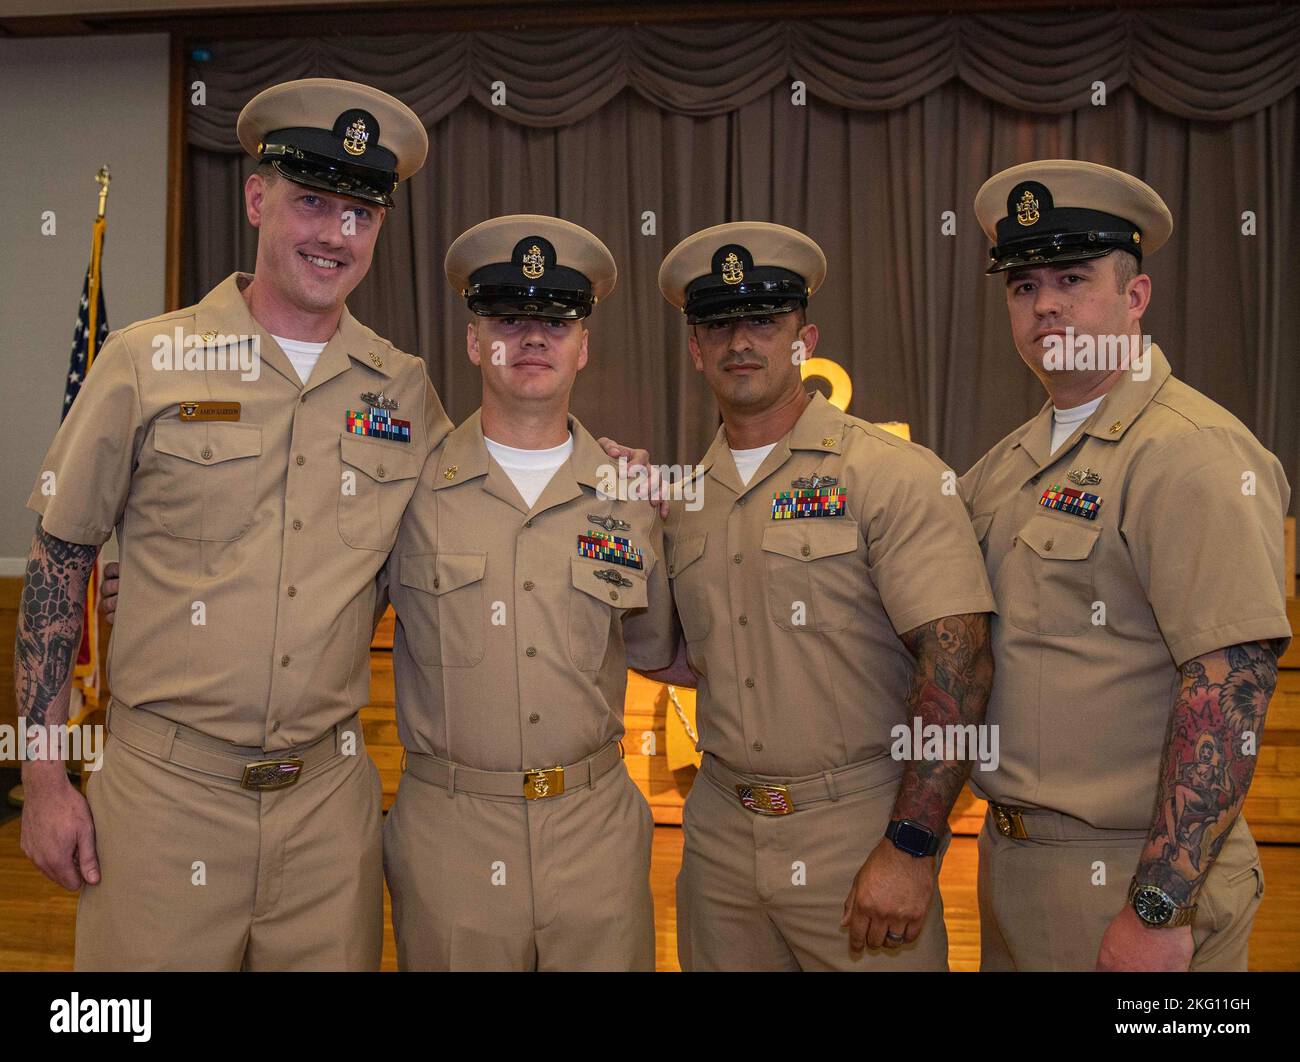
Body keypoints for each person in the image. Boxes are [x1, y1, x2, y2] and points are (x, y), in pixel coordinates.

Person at [17, 77, 452, 970]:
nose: (335, 235)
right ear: (258, 197)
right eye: (312, 202)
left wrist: (594, 468)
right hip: (163, 804)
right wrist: (42, 774)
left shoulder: (402, 388)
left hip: (327, 815)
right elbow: (60, 558)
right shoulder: (149, 359)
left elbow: (484, 505)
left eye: (360, 215)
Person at [961, 159, 1291, 971]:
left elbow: (1229, 684)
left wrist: (1157, 905)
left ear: (1134, 298)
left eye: (1072, 277)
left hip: (1134, 881)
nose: (1045, 304)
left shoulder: (1192, 452)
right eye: (1022, 285)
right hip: (1014, 867)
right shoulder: (1007, 465)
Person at [646, 221, 996, 970]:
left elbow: (959, 667)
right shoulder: (683, 500)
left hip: (857, 831)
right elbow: (685, 655)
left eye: (764, 322)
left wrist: (910, 845)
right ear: (695, 348)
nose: (742, 342)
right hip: (719, 842)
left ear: (804, 339)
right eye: (719, 324)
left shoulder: (889, 474)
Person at [377, 215, 678, 970]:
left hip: (595, 837)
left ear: (584, 344)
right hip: (451, 839)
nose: (534, 338)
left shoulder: (628, 495)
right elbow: (310, 601)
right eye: (511, 318)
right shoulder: (406, 489)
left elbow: (660, 652)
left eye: (556, 320)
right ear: (477, 342)